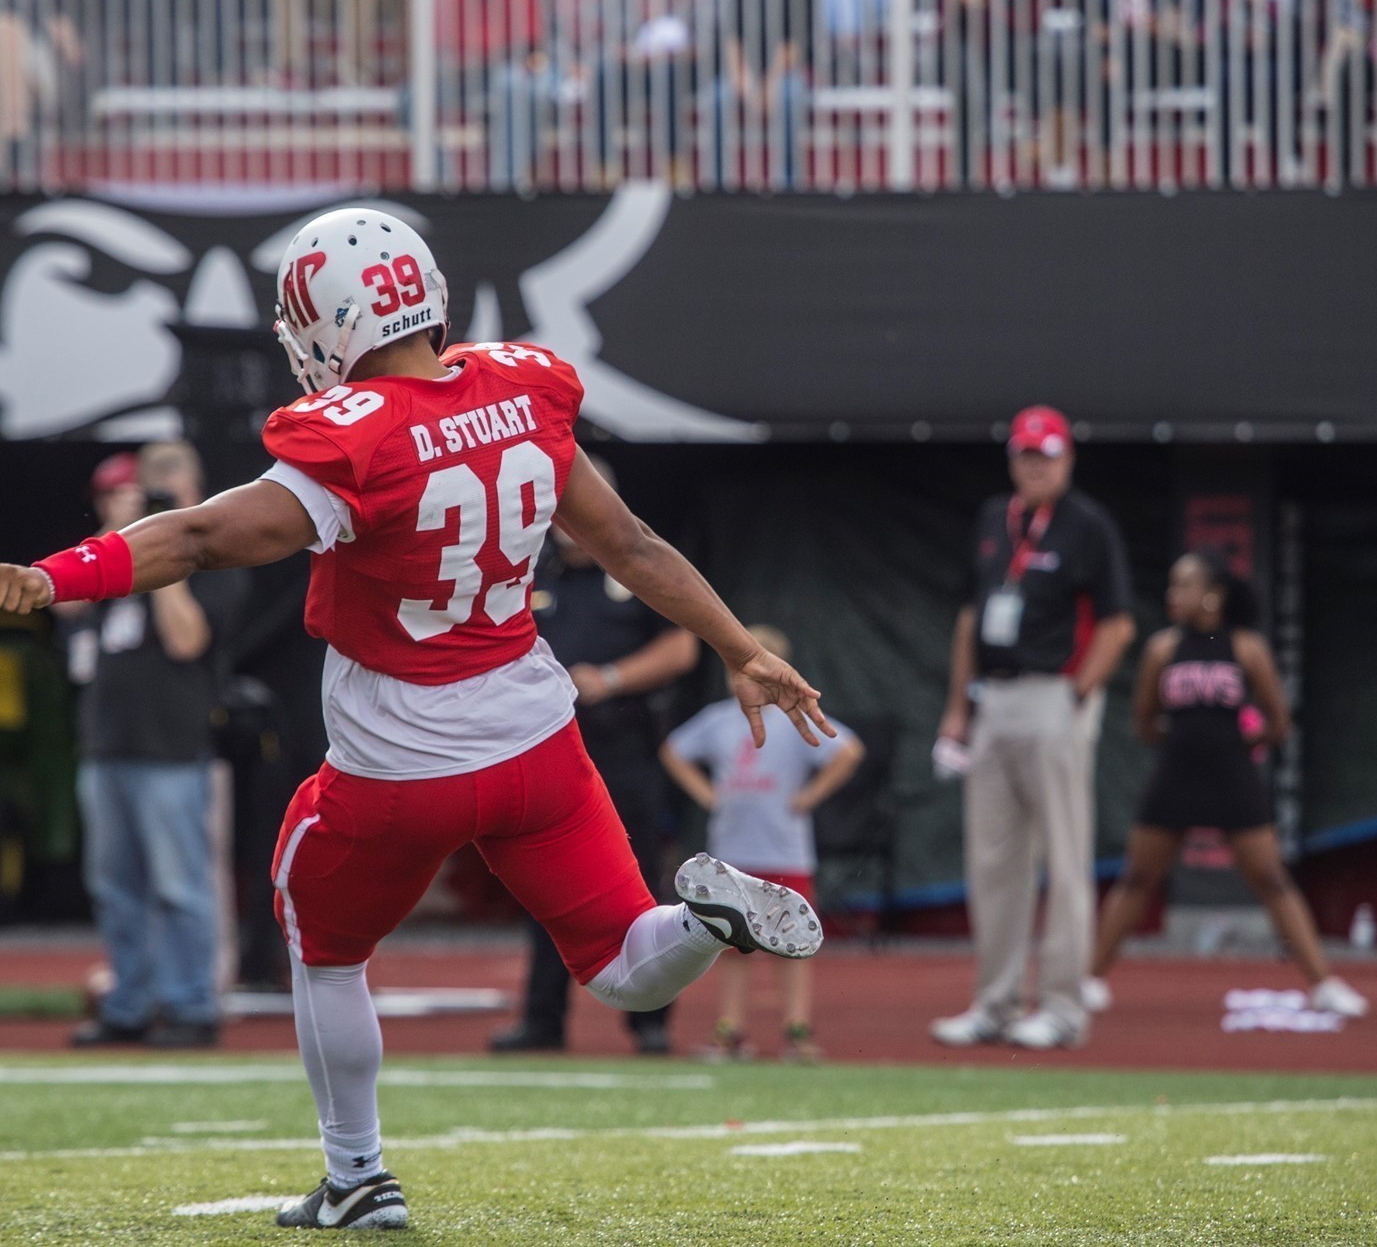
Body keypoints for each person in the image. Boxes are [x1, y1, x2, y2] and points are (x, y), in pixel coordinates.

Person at [0, 205, 828, 1232]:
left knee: (322, 941)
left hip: (400, 763)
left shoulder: (355, 437)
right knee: (623, 965)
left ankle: (356, 1173)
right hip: (535, 738)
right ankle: (704, 921)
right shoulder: (525, 388)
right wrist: (741, 646)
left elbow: (207, 537)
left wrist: (55, 575)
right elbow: (631, 543)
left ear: (330, 322)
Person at [1083, 548, 1369, 1020]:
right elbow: (1144, 723)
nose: (1174, 595)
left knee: (1272, 879)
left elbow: (1278, 723)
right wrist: (1185, 747)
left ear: (1213, 595)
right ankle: (1090, 980)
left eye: (1184, 585)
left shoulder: (1246, 648)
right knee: (1137, 877)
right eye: (1172, 586)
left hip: (1233, 776)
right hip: (1176, 773)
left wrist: (1240, 744)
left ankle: (1324, 984)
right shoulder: (1162, 649)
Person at [930, 405, 1136, 1051]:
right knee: (992, 860)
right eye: (1025, 454)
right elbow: (971, 616)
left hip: (1053, 693)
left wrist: (1078, 695)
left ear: (1067, 459)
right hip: (994, 698)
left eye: (1045, 455)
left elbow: (1118, 622)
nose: (1034, 466)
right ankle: (993, 1004)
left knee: (1065, 859)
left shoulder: (1087, 525)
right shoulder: (996, 518)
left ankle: (1063, 1008)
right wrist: (958, 710)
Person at [491, 464, 699, 1056]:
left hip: (622, 744)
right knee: (541, 879)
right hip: (547, 746)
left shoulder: (636, 560)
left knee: (637, 883)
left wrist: (609, 679)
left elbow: (682, 646)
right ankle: (542, 1019)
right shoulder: (526, 565)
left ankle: (651, 1023)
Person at [65, 443, 244, 1050]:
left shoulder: (216, 558)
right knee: (115, 887)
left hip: (170, 748)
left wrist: (163, 556)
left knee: (179, 885)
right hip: (105, 743)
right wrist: (123, 541)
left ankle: (192, 1004)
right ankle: (129, 1004)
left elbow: (187, 641)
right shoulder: (120, 553)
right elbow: (65, 607)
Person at [661, 624, 864, 1062]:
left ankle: (796, 1029)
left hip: (784, 850)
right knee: (733, 947)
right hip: (732, 854)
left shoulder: (795, 719)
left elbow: (848, 751)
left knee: (792, 945)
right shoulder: (717, 719)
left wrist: (810, 795)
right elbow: (674, 750)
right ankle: (730, 1031)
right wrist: (704, 794)